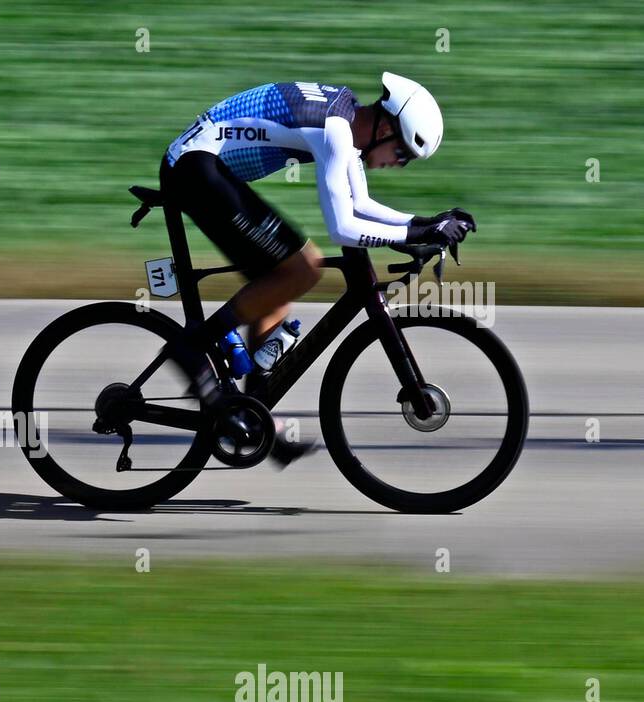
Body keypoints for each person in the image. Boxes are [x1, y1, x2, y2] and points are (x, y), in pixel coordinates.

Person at [161, 74, 475, 463]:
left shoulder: (345, 121)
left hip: (204, 166)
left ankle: (250, 411)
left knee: (278, 286)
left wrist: (425, 223)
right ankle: (193, 348)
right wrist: (416, 232)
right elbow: (343, 228)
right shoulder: (334, 131)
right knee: (302, 269)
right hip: (194, 169)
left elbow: (361, 204)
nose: (399, 164)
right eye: (402, 153)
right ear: (384, 127)